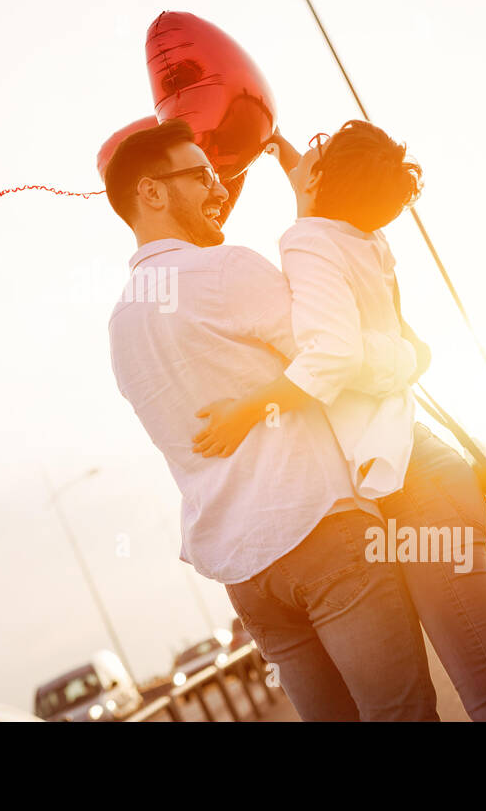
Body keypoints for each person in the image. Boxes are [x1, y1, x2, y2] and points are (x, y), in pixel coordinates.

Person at [191, 119, 486, 721]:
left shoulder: (308, 240)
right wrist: (273, 143)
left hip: (413, 489)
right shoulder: (365, 239)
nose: (307, 158)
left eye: (316, 155)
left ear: (324, 178)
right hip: (432, 472)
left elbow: (334, 354)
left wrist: (247, 409)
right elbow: (399, 344)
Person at [104, 118, 438, 720]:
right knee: (402, 715)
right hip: (320, 528)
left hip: (246, 574)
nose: (220, 190)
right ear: (151, 193)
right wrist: (415, 354)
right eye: (202, 176)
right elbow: (341, 357)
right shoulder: (224, 269)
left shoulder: (121, 325)